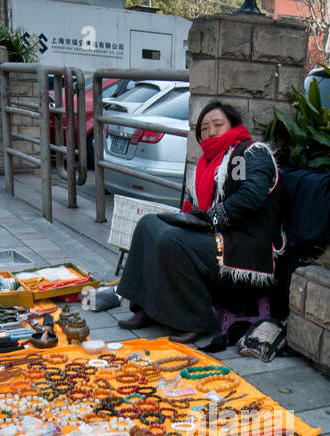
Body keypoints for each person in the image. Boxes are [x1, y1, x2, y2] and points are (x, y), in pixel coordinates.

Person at [116, 101, 285, 345]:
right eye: (204, 128)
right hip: (217, 234)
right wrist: (190, 220)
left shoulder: (244, 154)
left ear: (233, 126)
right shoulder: (208, 162)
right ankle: (145, 307)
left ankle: (194, 321)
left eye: (218, 124)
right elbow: (195, 208)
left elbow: (250, 196)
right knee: (148, 226)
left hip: (244, 246)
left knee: (171, 240)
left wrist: (210, 220)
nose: (210, 132)